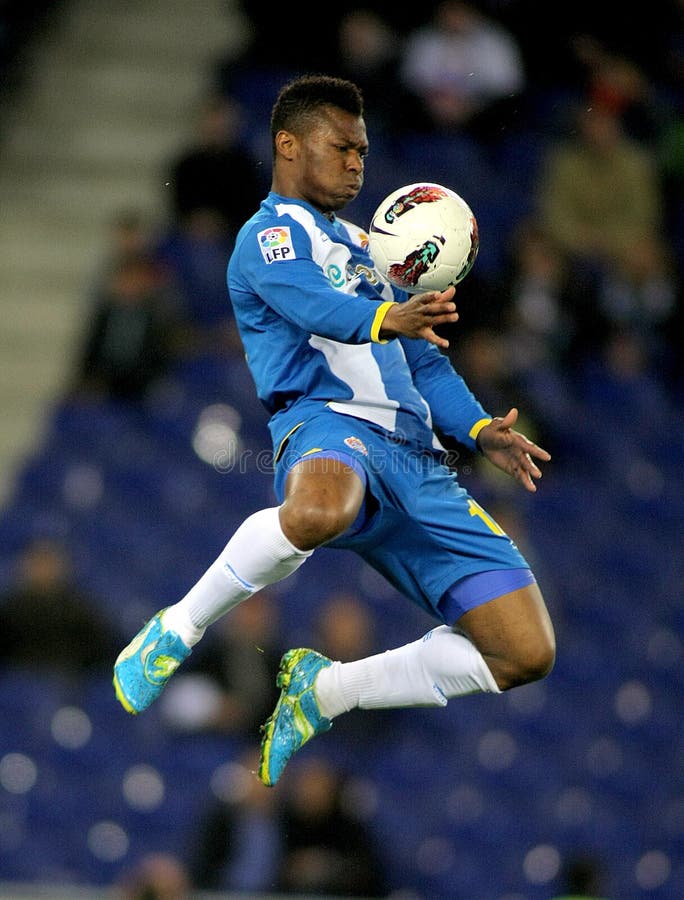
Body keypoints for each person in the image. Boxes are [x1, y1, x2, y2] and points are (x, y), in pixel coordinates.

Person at [113, 74, 555, 790]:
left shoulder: (372, 248)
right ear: (289, 145)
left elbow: (423, 361)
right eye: (341, 147)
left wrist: (479, 430)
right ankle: (178, 628)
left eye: (363, 152)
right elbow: (314, 307)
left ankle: (325, 692)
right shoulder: (267, 237)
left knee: (525, 653)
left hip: (416, 462)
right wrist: (388, 316)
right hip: (325, 422)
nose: (356, 164)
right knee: (321, 507)